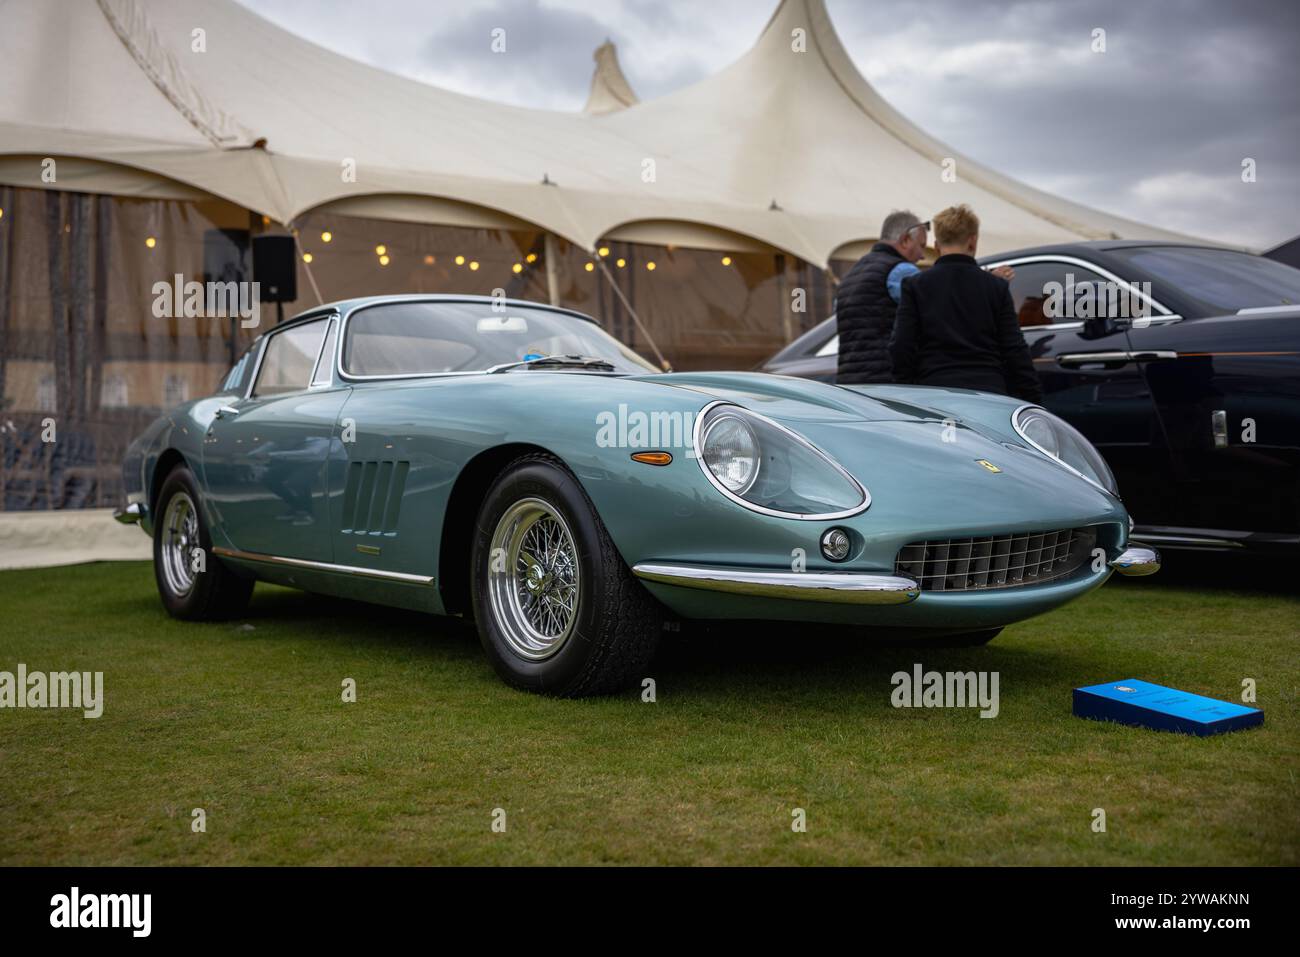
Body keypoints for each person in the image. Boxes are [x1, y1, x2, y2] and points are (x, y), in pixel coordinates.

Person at [888, 204, 1042, 402]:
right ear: (973, 241)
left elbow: (901, 345)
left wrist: (907, 390)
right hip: (988, 393)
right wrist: (1033, 398)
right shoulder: (996, 287)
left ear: (936, 245)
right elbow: (1014, 348)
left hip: (933, 394)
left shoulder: (915, 286)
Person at [834, 211, 928, 384]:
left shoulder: (851, 275)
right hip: (886, 383)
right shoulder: (903, 271)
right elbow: (930, 318)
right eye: (921, 246)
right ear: (906, 240)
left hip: (849, 382)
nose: (922, 256)